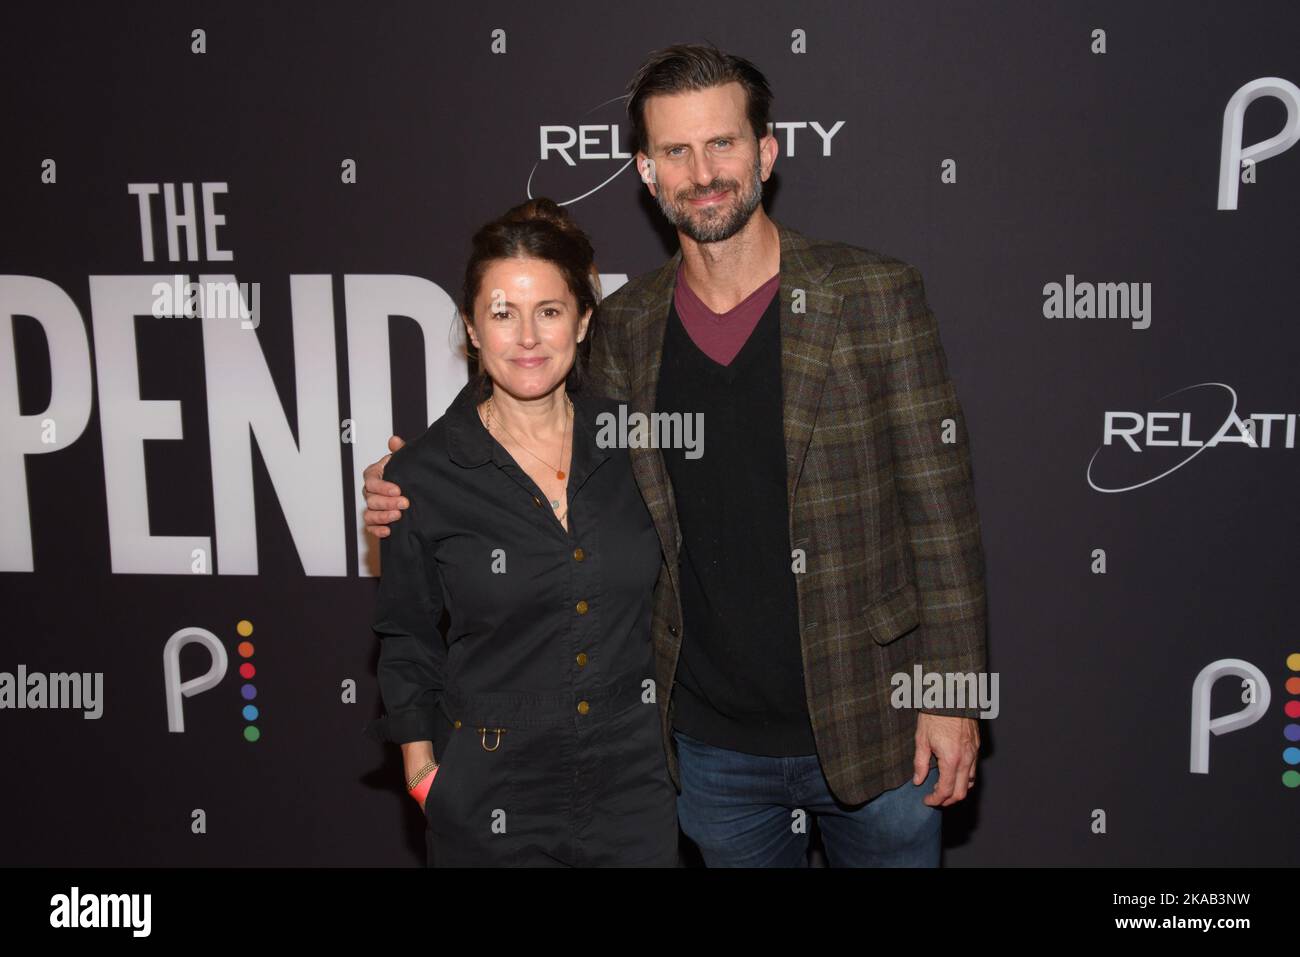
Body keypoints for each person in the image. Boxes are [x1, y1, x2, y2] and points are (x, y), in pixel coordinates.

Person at [365, 43, 988, 867]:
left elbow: (942, 512)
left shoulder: (873, 295)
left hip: (878, 722)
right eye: (675, 151)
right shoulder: (627, 324)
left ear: (766, 151)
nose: (703, 171)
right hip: (709, 748)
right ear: (647, 172)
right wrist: (416, 473)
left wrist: (952, 697)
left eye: (722, 143)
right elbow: (522, 373)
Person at [362, 198, 678, 867]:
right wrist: (423, 773)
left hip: (634, 792)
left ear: (584, 320)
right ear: (472, 329)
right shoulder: (422, 475)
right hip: (489, 794)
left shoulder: (638, 443)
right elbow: (406, 636)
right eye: (502, 312)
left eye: (550, 310)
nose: (527, 336)